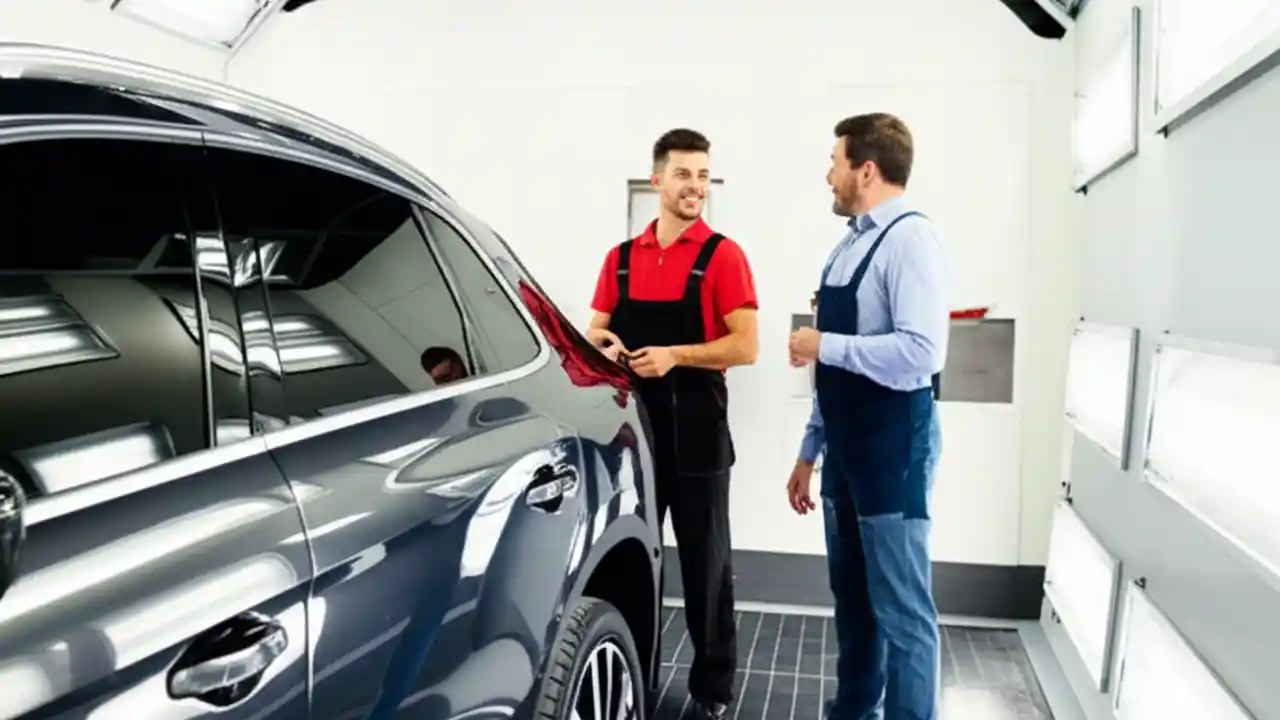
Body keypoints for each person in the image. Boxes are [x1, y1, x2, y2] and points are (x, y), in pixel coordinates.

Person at [587, 128, 759, 720]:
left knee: (707, 568)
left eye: (704, 175)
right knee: (628, 562)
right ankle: (629, 675)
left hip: (699, 435)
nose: (696, 186)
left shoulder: (723, 256)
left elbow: (746, 346)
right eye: (684, 174)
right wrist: (606, 347)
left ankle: (712, 689)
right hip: (632, 437)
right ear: (656, 179)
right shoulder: (621, 259)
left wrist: (675, 356)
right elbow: (594, 331)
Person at [786, 113, 949, 720]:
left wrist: (823, 344)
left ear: (867, 170)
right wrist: (809, 451)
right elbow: (835, 371)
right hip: (845, 452)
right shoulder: (848, 245)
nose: (828, 175)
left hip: (892, 450)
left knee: (903, 612)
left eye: (835, 162)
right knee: (853, 604)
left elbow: (922, 353)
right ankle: (854, 712)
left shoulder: (911, 240)